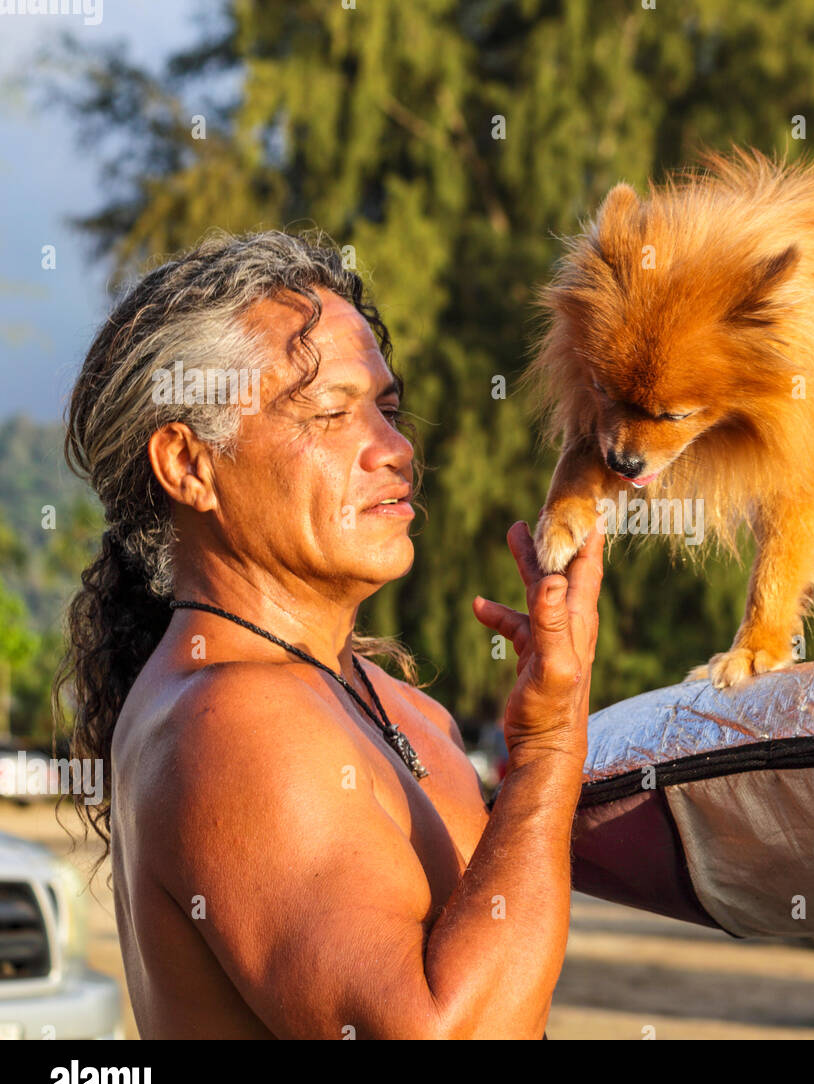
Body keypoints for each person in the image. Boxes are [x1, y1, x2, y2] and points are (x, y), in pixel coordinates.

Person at [56, 230, 603, 1038]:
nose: (395, 449)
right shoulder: (233, 722)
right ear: (188, 466)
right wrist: (553, 749)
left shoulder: (396, 707)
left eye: (385, 408)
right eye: (328, 411)